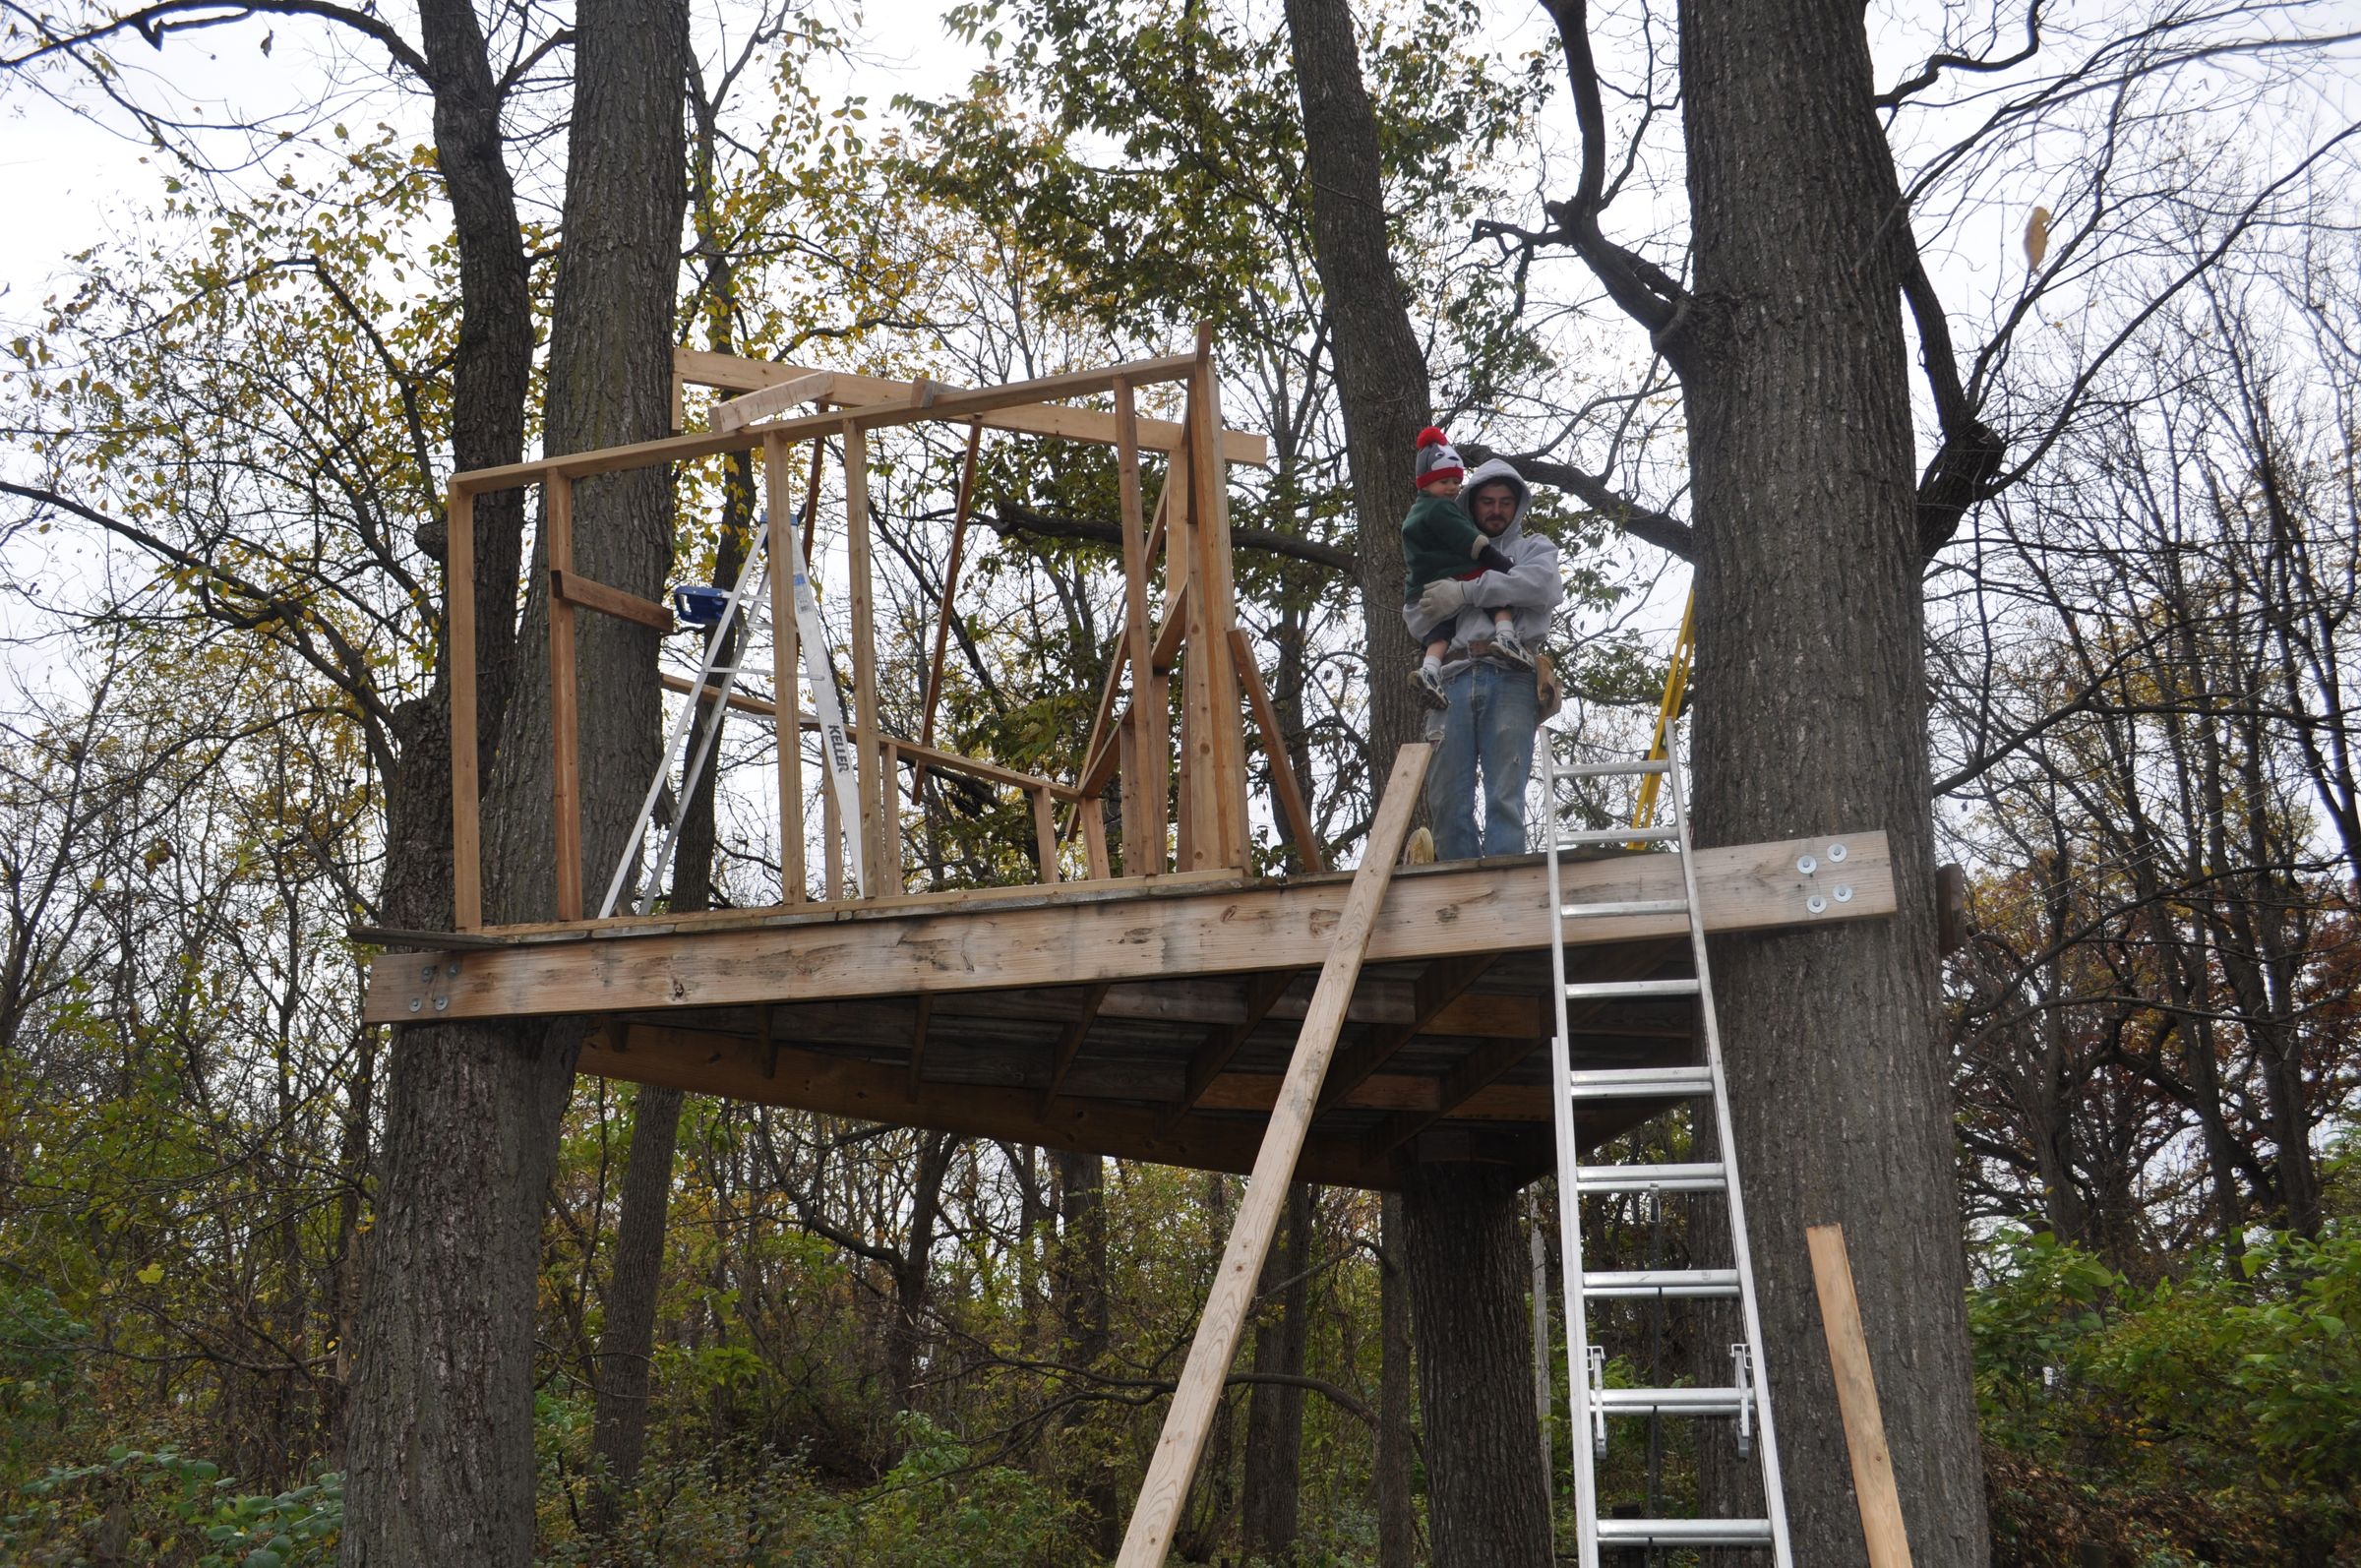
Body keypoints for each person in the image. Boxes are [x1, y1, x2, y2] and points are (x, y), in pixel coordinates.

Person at [1402, 453, 1562, 861]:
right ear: (1470, 504)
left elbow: (1541, 587)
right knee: (1447, 802)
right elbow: (1417, 616)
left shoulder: (1533, 548)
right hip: (1450, 678)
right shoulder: (1446, 549)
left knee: (1505, 798)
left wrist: (1466, 591)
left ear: (1518, 506)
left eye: (1505, 502)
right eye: (1487, 501)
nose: (1495, 510)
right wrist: (1483, 587)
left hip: (1511, 676)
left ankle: (1507, 889)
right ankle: (1460, 890)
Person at [1400, 427, 1528, 711]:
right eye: (1444, 481)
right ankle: (1507, 636)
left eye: (1456, 482)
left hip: (1424, 584)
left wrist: (1458, 592)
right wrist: (1500, 564)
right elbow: (1470, 541)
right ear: (1425, 483)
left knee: (1441, 630)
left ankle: (1429, 670)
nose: (1451, 488)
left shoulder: (1415, 513)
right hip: (1453, 573)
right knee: (1494, 588)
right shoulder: (1442, 509)